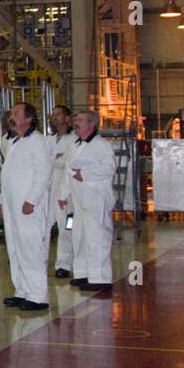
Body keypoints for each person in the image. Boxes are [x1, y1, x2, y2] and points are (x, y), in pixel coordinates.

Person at [0, 102, 53, 311]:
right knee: (15, 248)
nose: (12, 116)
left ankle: (38, 295)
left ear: (29, 118)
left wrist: (32, 199)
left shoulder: (38, 142)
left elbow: (43, 173)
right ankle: (22, 290)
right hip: (12, 204)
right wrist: (1, 200)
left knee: (30, 248)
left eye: (17, 113)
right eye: (11, 113)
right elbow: (7, 174)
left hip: (28, 204)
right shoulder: (14, 142)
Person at [68, 109, 116, 294]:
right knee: (79, 235)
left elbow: (109, 168)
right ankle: (82, 272)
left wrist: (85, 175)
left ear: (91, 123)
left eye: (80, 119)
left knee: (96, 236)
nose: (76, 122)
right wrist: (63, 195)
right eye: (76, 119)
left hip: (96, 196)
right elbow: (67, 171)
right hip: (79, 197)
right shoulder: (75, 144)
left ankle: (100, 277)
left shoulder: (101, 145)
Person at [47, 105, 79, 278]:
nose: (54, 117)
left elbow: (67, 162)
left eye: (58, 114)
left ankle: (64, 264)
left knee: (67, 227)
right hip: (48, 191)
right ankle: (41, 261)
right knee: (43, 228)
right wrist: (56, 158)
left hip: (67, 195)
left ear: (67, 118)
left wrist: (54, 159)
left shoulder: (75, 140)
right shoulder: (49, 140)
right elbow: (45, 160)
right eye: (53, 114)